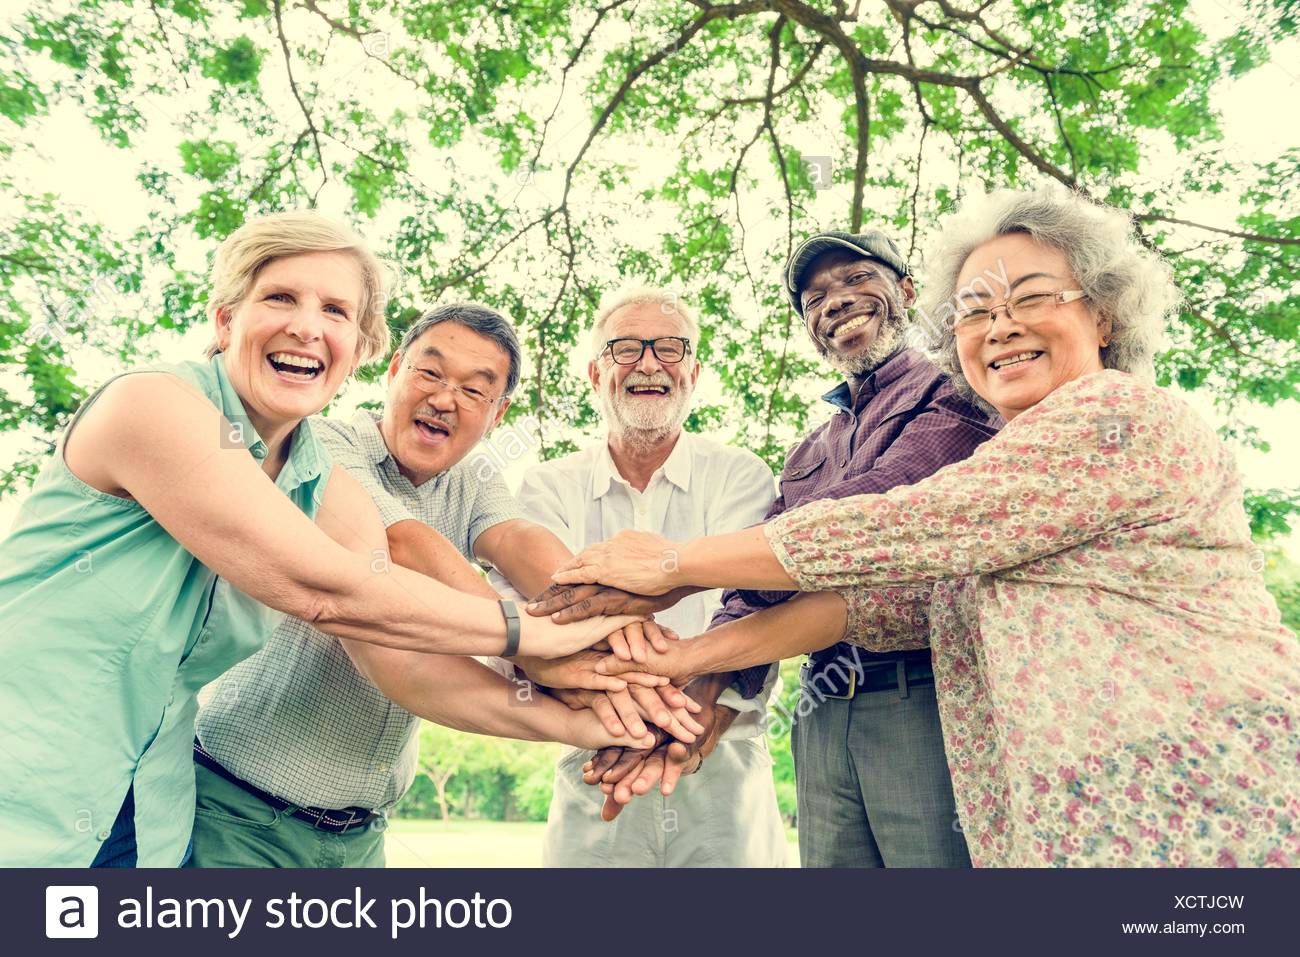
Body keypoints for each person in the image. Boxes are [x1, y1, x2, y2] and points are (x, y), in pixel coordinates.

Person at [554, 187, 1300, 867]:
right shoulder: (818, 450)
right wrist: (690, 671)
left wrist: (674, 563)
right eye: (978, 311)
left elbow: (904, 523)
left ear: (1101, 313)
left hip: (1193, 793)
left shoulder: (1106, 412)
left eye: (1031, 298)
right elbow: (883, 600)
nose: (1002, 328)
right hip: (1031, 789)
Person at [0, 212, 631, 868]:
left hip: (141, 803)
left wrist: (599, 720)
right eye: (280, 297)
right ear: (225, 322)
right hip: (27, 783)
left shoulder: (309, 474)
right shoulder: (154, 403)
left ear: (356, 349)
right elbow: (328, 590)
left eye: (336, 310)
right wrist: (536, 633)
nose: (307, 325)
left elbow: (392, 628)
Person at [188, 303, 667, 868]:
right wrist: (537, 652)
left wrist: (623, 652)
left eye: (474, 390)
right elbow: (400, 544)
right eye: (431, 373)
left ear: (498, 414)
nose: (444, 399)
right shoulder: (323, 444)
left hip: (360, 835)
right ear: (394, 371)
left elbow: (518, 541)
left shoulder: (472, 483)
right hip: (240, 812)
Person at [498, 287, 787, 867]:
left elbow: (754, 596)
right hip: (597, 758)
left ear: (695, 371)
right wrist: (644, 712)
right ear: (595, 372)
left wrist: (704, 705)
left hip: (722, 757)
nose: (650, 363)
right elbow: (537, 613)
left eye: (670, 348)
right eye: (625, 348)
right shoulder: (547, 486)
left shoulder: (739, 474)